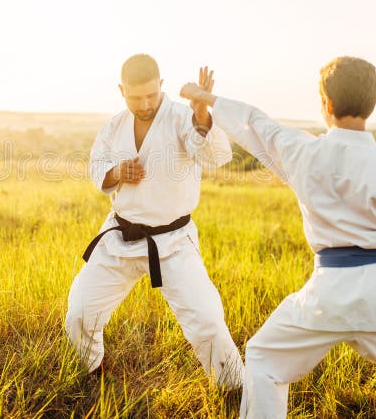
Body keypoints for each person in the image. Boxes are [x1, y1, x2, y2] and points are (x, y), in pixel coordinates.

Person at [180, 56, 376, 418]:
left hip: (328, 294)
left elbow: (254, 121)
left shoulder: (303, 150)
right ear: (372, 104)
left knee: (264, 357)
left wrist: (206, 98)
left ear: (326, 104)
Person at [65, 54, 244, 388]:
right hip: (121, 235)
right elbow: (96, 167)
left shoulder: (182, 117)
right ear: (121, 90)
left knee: (207, 320)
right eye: (136, 97)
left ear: (161, 85)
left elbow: (217, 156)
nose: (145, 103)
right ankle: (92, 370)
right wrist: (117, 172)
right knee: (79, 312)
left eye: (151, 94)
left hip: (173, 242)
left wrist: (202, 116)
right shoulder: (114, 126)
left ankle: (233, 387)